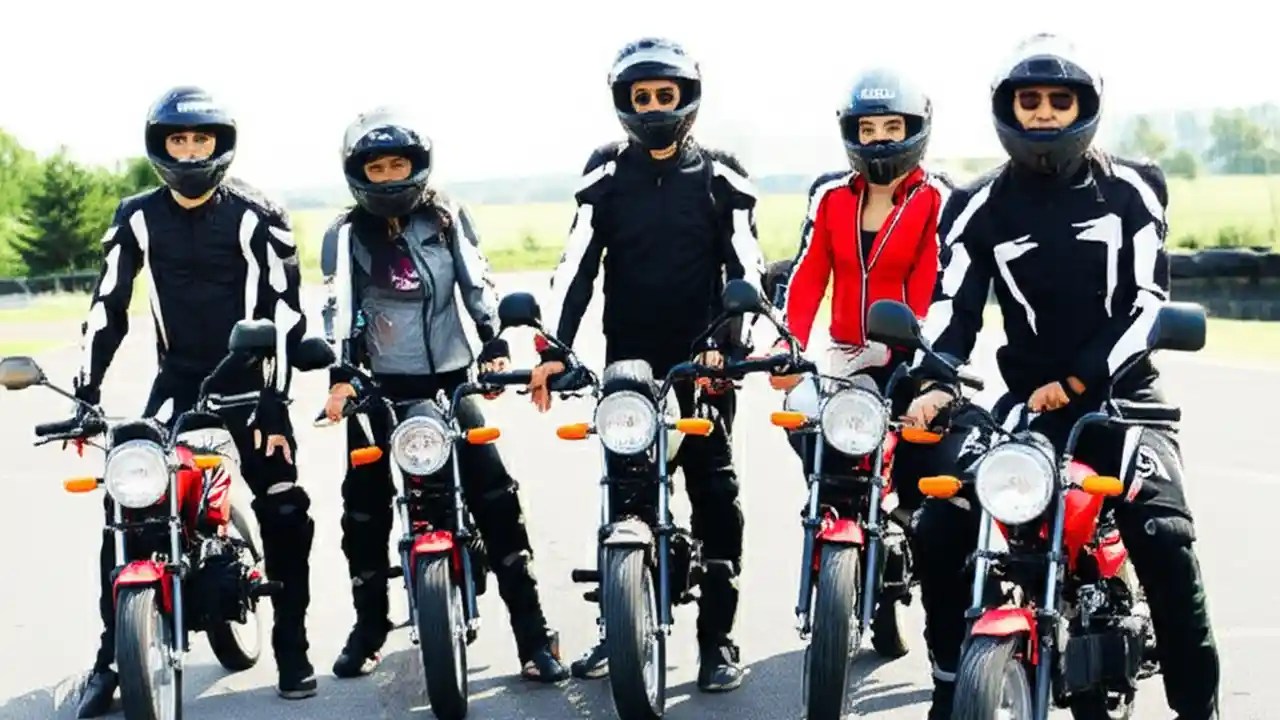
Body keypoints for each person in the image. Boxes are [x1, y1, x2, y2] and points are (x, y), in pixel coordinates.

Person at [903, 33, 1220, 720]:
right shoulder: (978, 204)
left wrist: (1079, 381)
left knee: (1165, 541)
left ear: (1086, 107)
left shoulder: (1133, 188)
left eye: (1059, 99)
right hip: (1027, 410)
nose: (1044, 112)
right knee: (941, 525)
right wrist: (932, 378)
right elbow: (953, 304)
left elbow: (1148, 303)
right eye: (1030, 100)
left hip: (1126, 399)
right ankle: (953, 688)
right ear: (1007, 110)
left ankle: (1201, 709)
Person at [526, 37, 767, 691]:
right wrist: (553, 352)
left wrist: (729, 346)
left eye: (666, 95)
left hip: (703, 364)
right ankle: (619, 629)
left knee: (716, 497)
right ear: (623, 103)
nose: (655, 107)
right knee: (622, 495)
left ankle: (718, 643)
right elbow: (576, 269)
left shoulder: (720, 174)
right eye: (642, 97)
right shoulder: (605, 175)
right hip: (626, 366)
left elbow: (745, 271)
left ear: (688, 99)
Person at [72, 86, 316, 717]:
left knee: (286, 507)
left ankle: (292, 644)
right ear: (160, 147)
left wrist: (275, 402)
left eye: (199, 139)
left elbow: (286, 315)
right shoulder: (136, 215)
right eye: (177, 139)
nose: (188, 151)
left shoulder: (258, 214)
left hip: (250, 384)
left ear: (220, 144)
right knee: (126, 498)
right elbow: (108, 307)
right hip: (176, 383)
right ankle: (111, 654)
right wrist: (85, 393)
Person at [319, 108, 568, 683]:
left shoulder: (446, 216)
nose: (387, 176)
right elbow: (339, 305)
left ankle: (533, 638)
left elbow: (476, 281)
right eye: (376, 167)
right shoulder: (346, 233)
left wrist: (494, 344)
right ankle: (370, 628)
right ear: (359, 174)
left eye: (397, 164)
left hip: (452, 381)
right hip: (379, 389)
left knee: (496, 495)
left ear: (417, 165)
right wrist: (341, 374)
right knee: (362, 507)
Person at [765, 67, 952, 654]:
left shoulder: (938, 198)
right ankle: (838, 515)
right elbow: (807, 276)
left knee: (927, 495)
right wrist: (785, 345)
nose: (877, 140)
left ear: (916, 130)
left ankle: (927, 586)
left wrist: (925, 363)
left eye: (891, 127)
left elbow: (937, 282)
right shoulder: (829, 196)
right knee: (807, 425)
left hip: (914, 359)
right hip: (845, 356)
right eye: (866, 128)